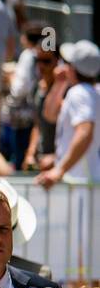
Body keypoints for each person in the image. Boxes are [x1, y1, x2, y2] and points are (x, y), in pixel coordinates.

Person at [36, 40, 100, 189]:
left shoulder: (79, 93)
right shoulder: (91, 93)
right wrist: (60, 83)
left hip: (79, 182)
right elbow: (50, 114)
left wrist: (59, 170)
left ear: (73, 67)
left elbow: (85, 133)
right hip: (84, 180)